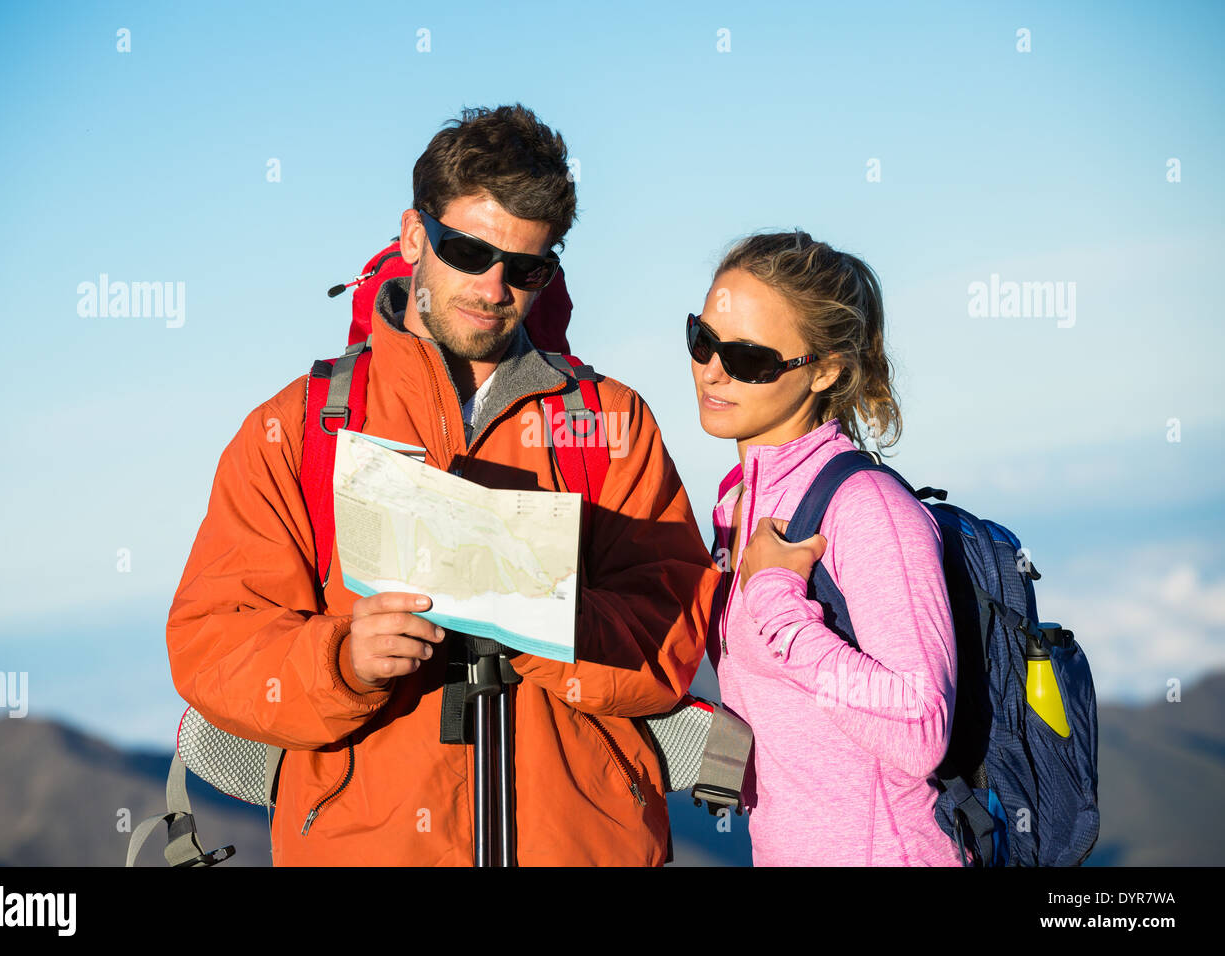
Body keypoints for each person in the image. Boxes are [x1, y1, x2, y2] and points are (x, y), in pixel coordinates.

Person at [166, 104, 718, 866]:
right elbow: (214, 645)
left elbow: (673, 634)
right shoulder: (297, 429)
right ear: (414, 235)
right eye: (467, 250)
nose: (495, 288)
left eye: (527, 268)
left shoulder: (609, 421)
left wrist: (544, 624)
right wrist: (342, 661)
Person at [690, 230, 963, 866]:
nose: (713, 370)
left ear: (827, 368)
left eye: (749, 358)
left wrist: (776, 603)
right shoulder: (737, 505)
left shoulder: (867, 508)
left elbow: (921, 729)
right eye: (702, 341)